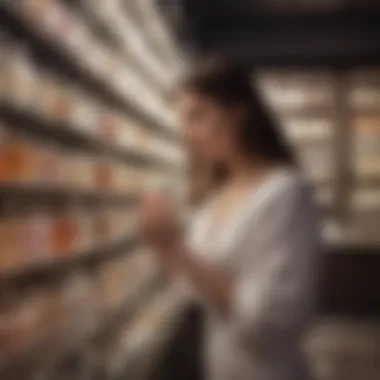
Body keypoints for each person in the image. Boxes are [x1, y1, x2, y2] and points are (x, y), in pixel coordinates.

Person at [139, 59, 320, 380]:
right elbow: (196, 292)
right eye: (183, 121)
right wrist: (163, 246)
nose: (187, 134)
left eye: (198, 117)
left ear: (236, 116)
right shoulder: (213, 201)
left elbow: (270, 323)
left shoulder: (286, 195)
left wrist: (179, 251)